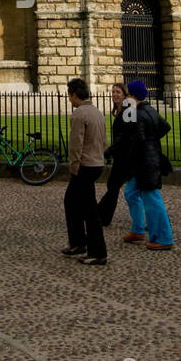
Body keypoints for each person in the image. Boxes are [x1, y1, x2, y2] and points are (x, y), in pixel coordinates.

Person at [121, 80, 175, 250]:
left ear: (133, 96)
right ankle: (138, 230)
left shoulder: (137, 114)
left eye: (128, 94)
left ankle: (164, 238)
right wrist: (153, 139)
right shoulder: (149, 109)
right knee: (130, 192)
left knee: (153, 199)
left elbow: (138, 139)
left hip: (145, 161)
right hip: (148, 158)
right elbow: (165, 127)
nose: (126, 97)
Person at [62, 76, 108, 266]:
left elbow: (75, 145)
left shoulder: (80, 114)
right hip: (96, 163)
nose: (69, 99)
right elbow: (103, 141)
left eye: (69, 96)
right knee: (71, 201)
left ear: (74, 95)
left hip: (84, 166)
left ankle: (97, 252)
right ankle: (78, 243)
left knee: (89, 211)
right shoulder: (97, 112)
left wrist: (74, 167)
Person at [98, 82, 133, 226]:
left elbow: (126, 136)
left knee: (114, 186)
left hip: (128, 157)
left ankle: (100, 215)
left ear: (125, 95)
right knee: (117, 187)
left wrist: (108, 151)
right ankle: (103, 216)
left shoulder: (129, 111)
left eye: (118, 92)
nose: (114, 95)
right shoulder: (120, 110)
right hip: (121, 155)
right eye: (113, 92)